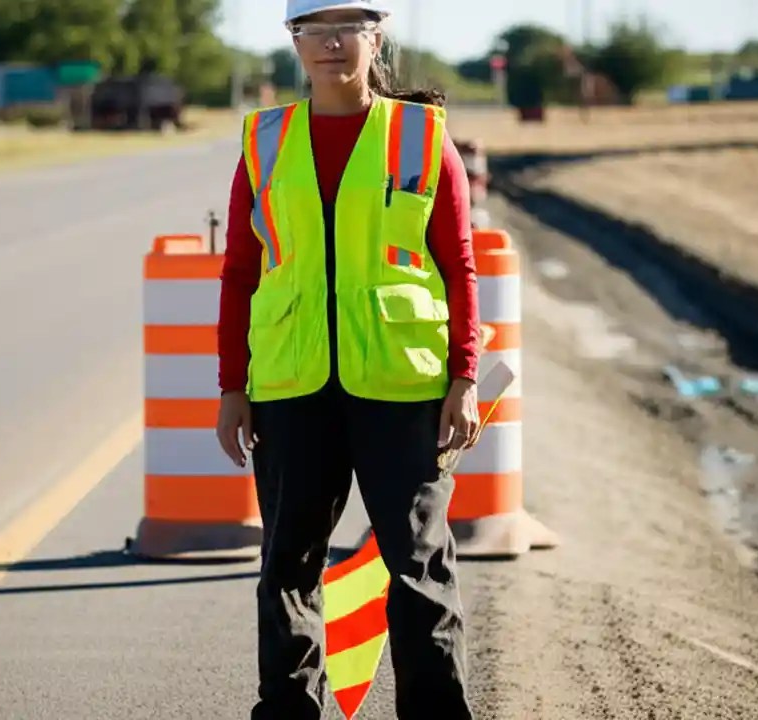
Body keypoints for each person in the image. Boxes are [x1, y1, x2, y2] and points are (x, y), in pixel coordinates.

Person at [215, 1, 480, 717]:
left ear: (375, 37)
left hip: (401, 385)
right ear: (294, 43)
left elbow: (458, 262)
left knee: (419, 571)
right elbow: (241, 270)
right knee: (287, 570)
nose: (331, 42)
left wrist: (466, 375)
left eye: (348, 27)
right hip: (292, 385)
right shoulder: (264, 140)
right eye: (314, 29)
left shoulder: (422, 135)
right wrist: (231, 387)